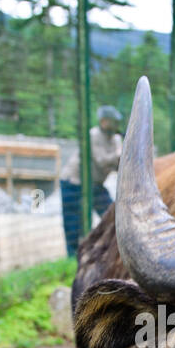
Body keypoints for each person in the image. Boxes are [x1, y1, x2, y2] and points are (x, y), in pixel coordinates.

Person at [58, 105, 123, 258]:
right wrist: (120, 153)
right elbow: (101, 160)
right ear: (103, 121)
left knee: (112, 215)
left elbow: (118, 163)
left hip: (95, 185)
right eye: (113, 122)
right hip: (74, 183)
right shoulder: (92, 136)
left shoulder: (115, 139)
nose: (116, 126)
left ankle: (112, 250)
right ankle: (73, 257)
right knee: (73, 223)